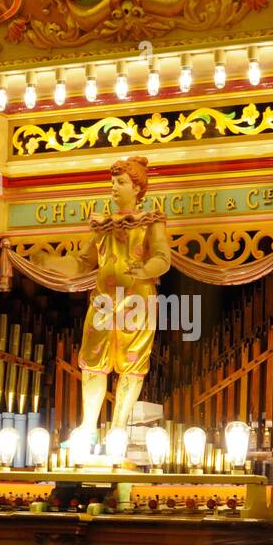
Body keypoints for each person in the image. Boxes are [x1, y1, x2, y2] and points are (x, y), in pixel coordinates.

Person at [73, 156, 170, 437]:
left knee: (132, 363)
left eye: (121, 182)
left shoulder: (151, 221)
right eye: (113, 182)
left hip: (137, 303)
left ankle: (117, 429)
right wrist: (50, 263)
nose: (114, 187)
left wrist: (144, 269)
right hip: (102, 301)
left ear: (138, 188)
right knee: (92, 362)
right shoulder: (103, 225)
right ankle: (88, 426)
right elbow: (81, 262)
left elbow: (163, 257)